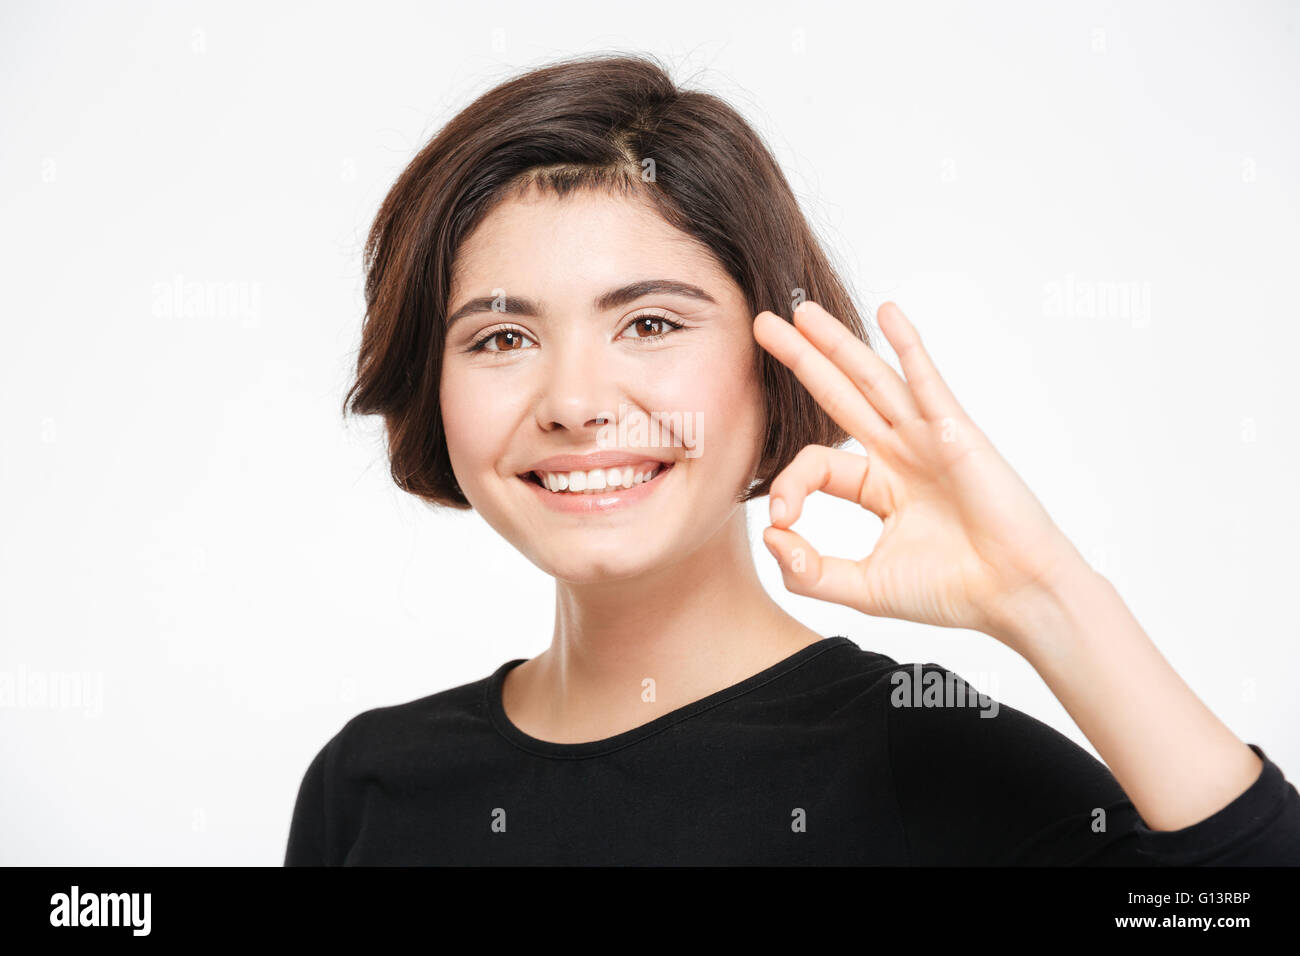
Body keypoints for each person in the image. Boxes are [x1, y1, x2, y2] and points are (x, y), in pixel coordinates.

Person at [284, 52, 1300, 865]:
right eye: (501, 338)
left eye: (647, 321)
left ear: (775, 358)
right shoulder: (369, 783)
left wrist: (1045, 593)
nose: (575, 402)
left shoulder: (929, 764)